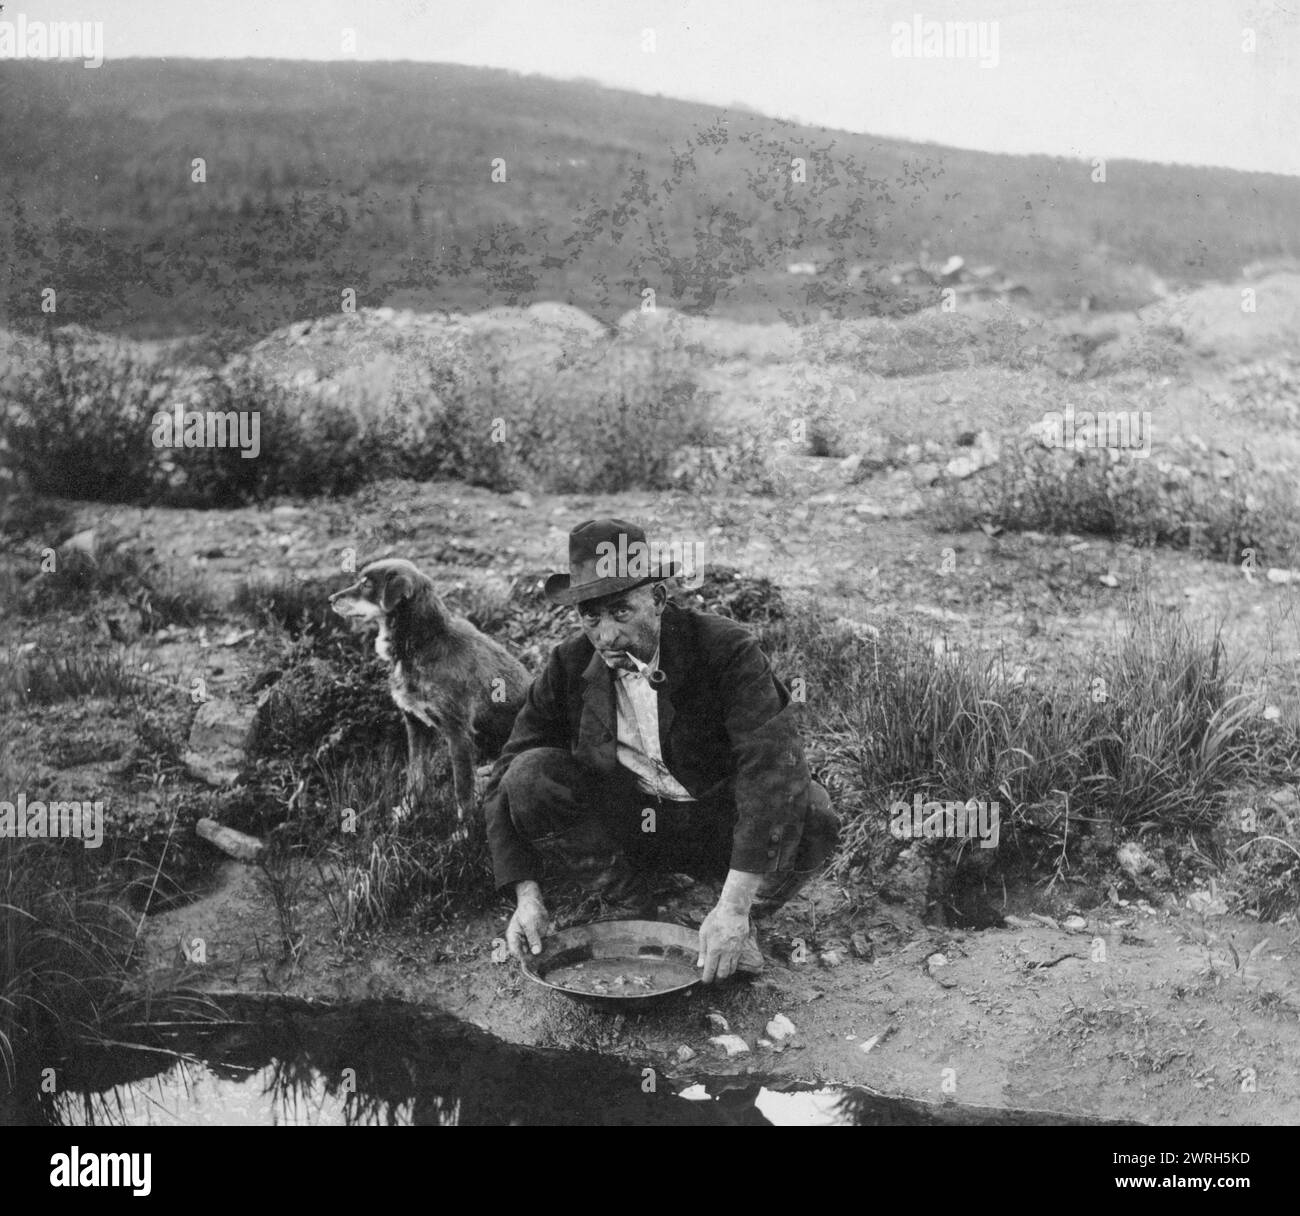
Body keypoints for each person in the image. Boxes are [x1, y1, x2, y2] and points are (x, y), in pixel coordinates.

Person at [483, 518, 838, 983]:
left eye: (620, 612)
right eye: (591, 617)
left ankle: (737, 917)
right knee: (529, 774)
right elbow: (506, 771)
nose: (606, 636)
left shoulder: (725, 649)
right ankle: (631, 901)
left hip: (717, 824)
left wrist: (734, 904)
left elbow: (772, 767)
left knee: (813, 809)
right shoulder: (567, 665)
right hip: (632, 828)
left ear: (657, 599)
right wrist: (526, 896)